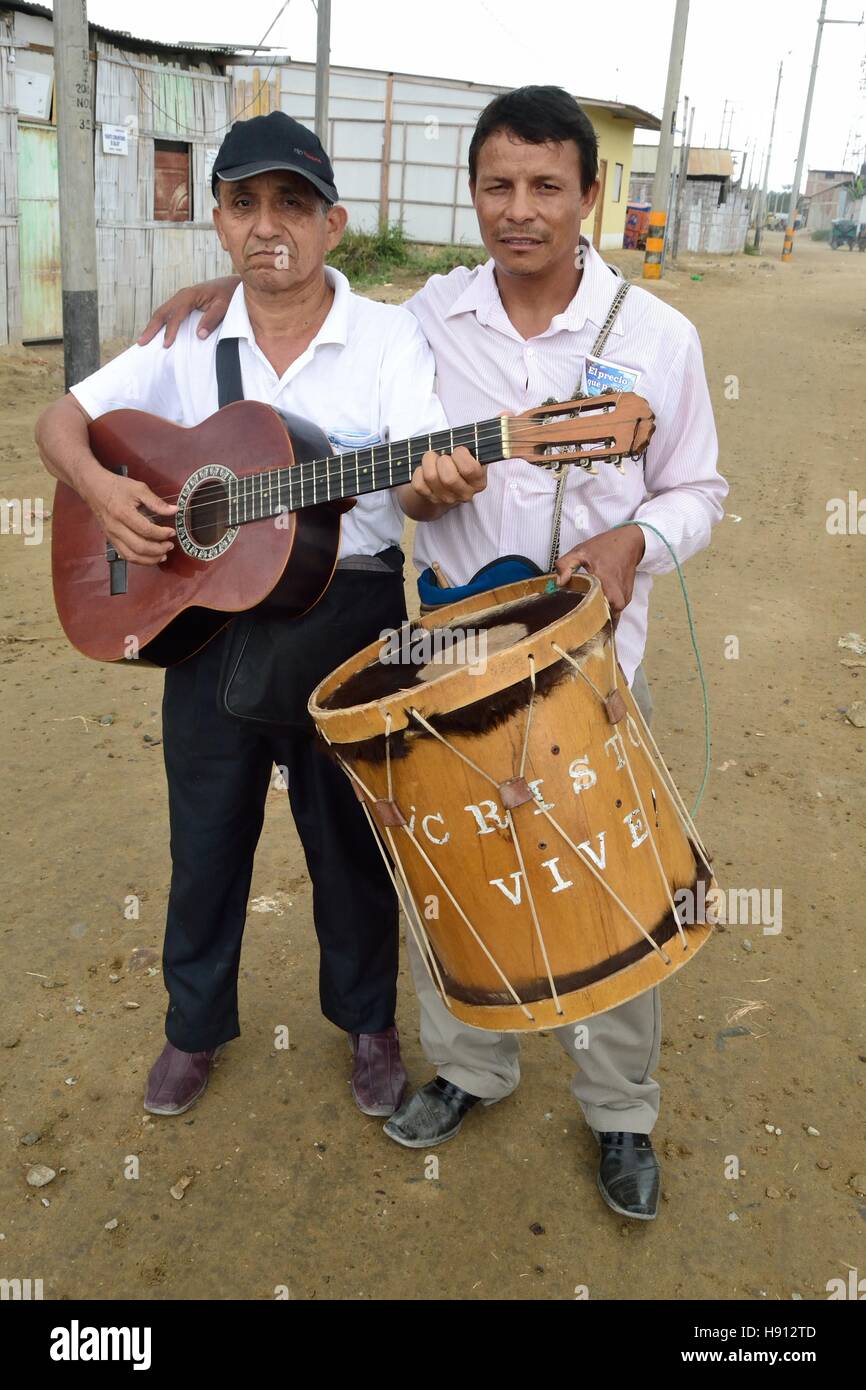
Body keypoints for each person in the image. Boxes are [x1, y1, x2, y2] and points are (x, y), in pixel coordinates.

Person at [137, 87, 727, 1219]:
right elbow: (309, 307)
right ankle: (469, 1068)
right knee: (451, 872)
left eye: (546, 186)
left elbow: (698, 484)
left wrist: (634, 537)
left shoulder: (657, 338)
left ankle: (618, 1109)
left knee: (606, 887)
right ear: (471, 196)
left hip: (590, 665)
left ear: (590, 196)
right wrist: (224, 286)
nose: (521, 210)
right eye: (498, 187)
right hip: (443, 658)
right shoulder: (429, 318)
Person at [36, 111, 460, 1122]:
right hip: (207, 616)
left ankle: (366, 1024)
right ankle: (192, 1026)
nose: (269, 223)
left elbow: (412, 478)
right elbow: (60, 422)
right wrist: (101, 490)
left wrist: (435, 486)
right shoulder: (184, 333)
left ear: (334, 223)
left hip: (347, 617)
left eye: (293, 204)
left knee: (352, 845)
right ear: (220, 223)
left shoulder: (391, 337)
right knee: (207, 838)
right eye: (245, 203)